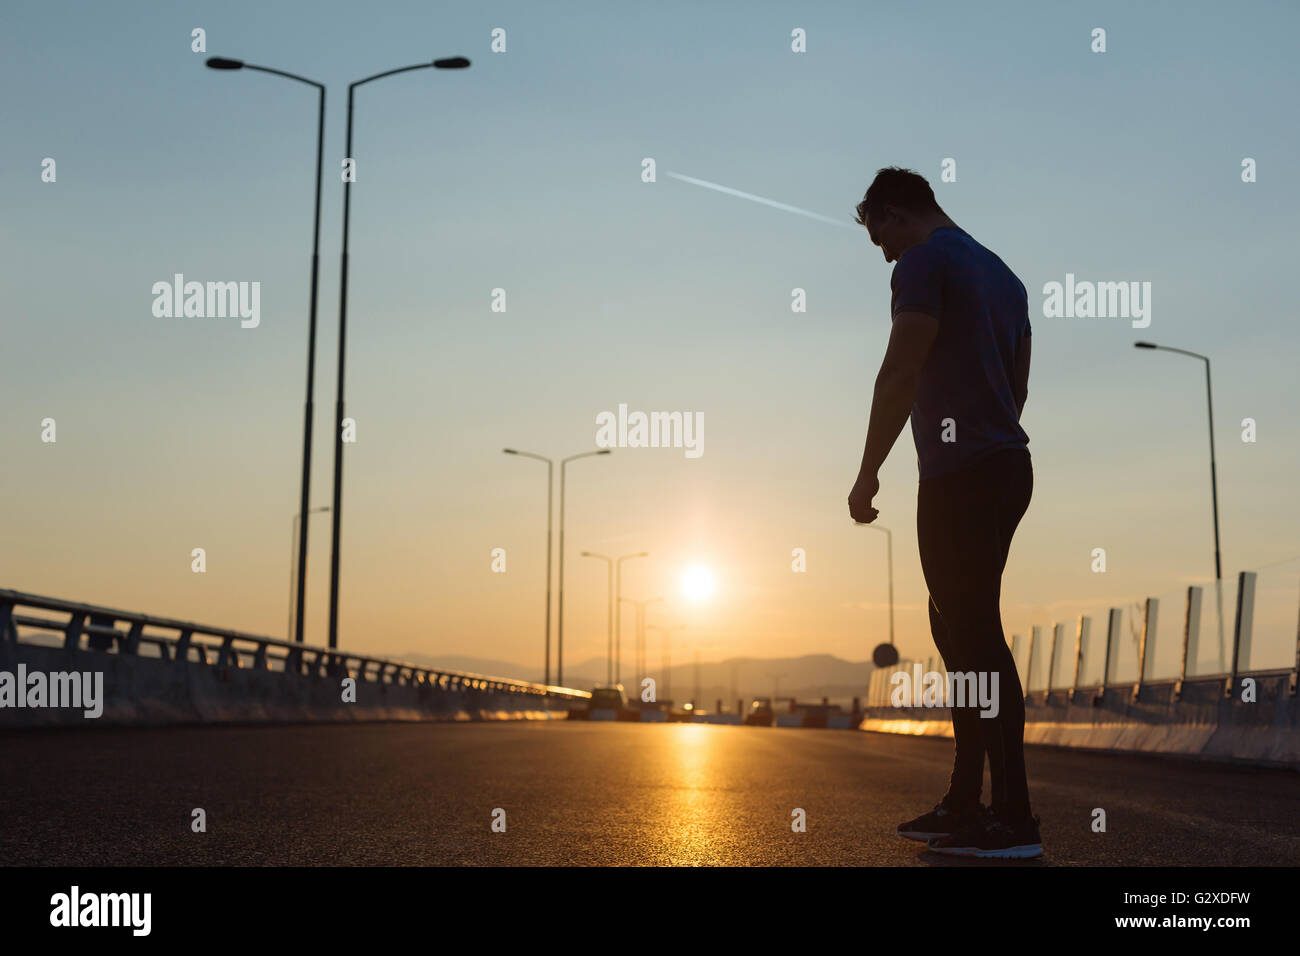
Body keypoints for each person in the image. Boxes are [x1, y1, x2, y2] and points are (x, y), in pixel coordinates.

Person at [847, 167, 1041, 859]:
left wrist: (868, 472)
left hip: (959, 476)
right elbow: (1017, 384)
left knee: (975, 635)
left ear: (896, 213)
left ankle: (1013, 816)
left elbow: (901, 368)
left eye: (881, 238)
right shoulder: (1003, 275)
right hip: (1006, 465)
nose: (885, 254)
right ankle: (967, 802)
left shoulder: (925, 262)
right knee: (957, 627)